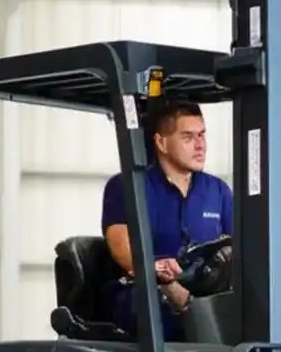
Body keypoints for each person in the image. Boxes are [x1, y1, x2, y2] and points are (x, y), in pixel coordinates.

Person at [100, 100, 234, 339]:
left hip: (201, 295)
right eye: (188, 137)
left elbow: (237, 246)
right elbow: (122, 247)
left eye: (202, 135)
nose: (200, 145)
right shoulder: (127, 187)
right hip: (146, 291)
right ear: (161, 142)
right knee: (163, 308)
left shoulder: (219, 191)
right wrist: (157, 273)